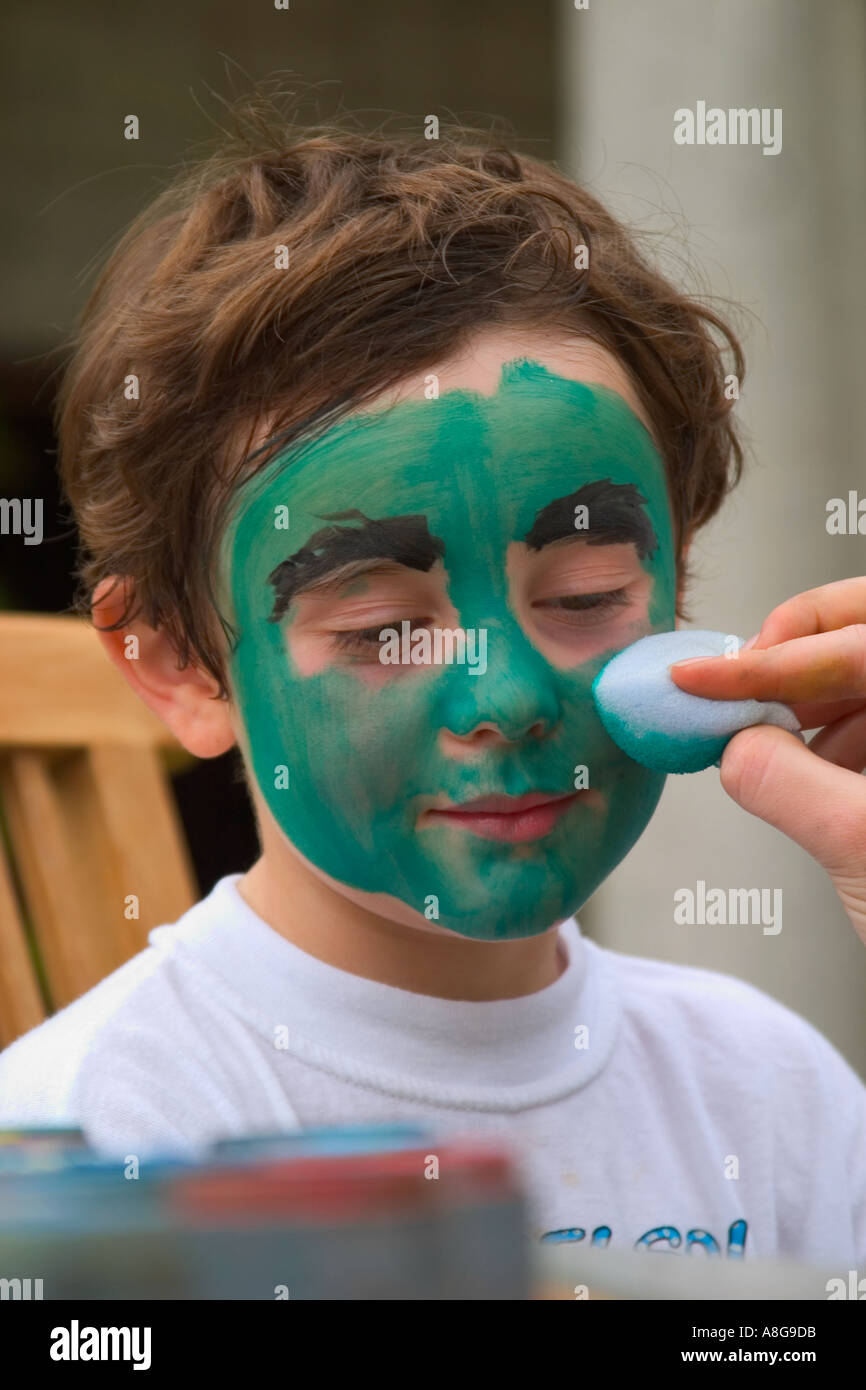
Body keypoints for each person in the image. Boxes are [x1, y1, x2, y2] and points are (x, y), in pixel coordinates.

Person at [1, 104, 864, 1264]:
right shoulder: (98, 1147)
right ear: (181, 666)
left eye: (582, 595)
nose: (503, 696)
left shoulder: (766, 1090)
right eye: (380, 626)